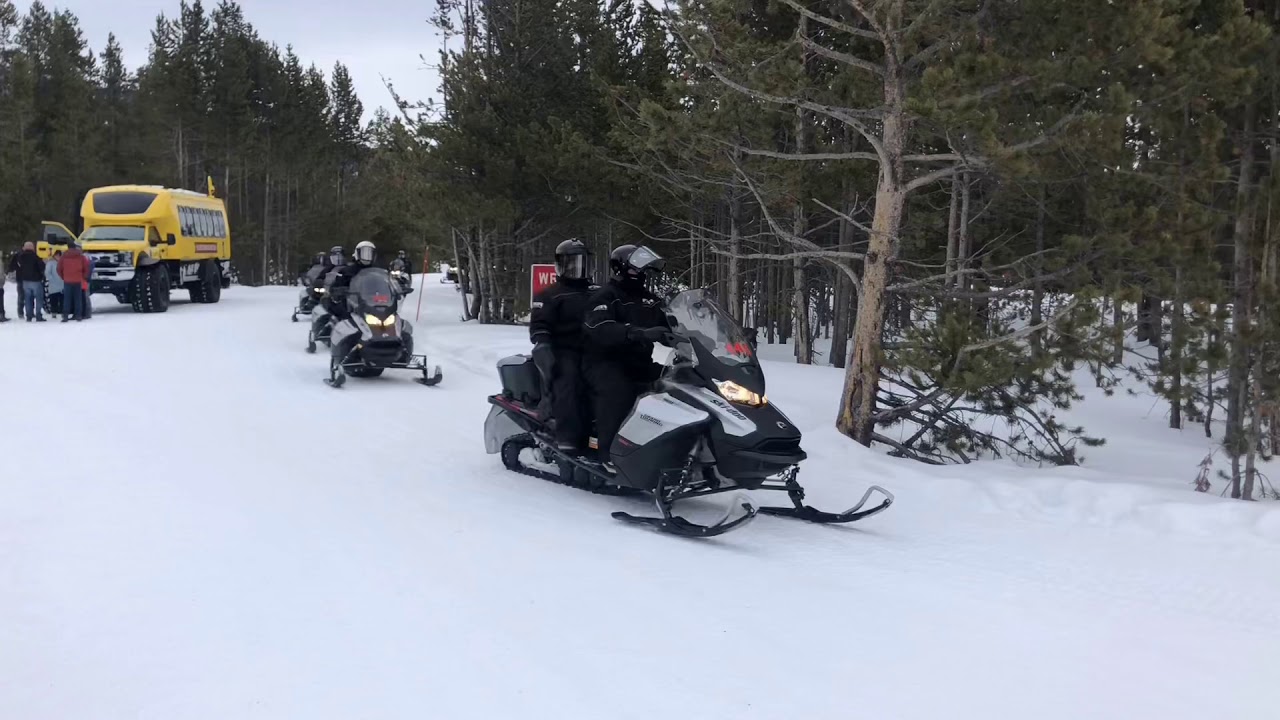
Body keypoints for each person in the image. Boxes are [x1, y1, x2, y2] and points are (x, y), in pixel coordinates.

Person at [582, 245, 674, 464]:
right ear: (620, 269)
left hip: (640, 362)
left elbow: (673, 323)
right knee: (618, 390)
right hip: (605, 362)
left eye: (644, 271)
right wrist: (636, 333)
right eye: (636, 270)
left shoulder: (651, 300)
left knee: (679, 382)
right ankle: (606, 454)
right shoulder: (604, 296)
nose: (641, 275)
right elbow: (600, 327)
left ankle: (669, 447)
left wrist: (708, 337)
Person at [529, 239, 597, 453]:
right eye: (573, 264)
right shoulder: (550, 295)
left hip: (596, 349)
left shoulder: (598, 292)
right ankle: (568, 436)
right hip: (564, 349)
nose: (578, 269)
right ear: (561, 265)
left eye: (583, 263)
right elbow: (539, 325)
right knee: (569, 378)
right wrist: (542, 342)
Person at [57, 242, 91, 322]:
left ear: (67, 247)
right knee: (78, 298)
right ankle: (78, 315)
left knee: (67, 299)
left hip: (67, 280)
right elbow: (86, 266)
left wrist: (63, 277)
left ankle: (65, 316)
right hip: (78, 280)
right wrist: (84, 276)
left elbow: (59, 268)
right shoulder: (80, 256)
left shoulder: (63, 256)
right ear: (75, 247)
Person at [14, 241, 46, 322]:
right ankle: (38, 315)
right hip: (36, 280)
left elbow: (16, 267)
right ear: (32, 248)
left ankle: (29, 315)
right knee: (38, 298)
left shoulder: (20, 257)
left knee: (27, 299)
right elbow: (42, 267)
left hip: (25, 281)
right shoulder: (35, 257)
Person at [45, 250, 65, 316]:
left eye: (59, 255)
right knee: (53, 299)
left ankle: (62, 312)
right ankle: (54, 312)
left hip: (62, 284)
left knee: (62, 299)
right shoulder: (50, 263)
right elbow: (47, 272)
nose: (58, 257)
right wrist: (51, 279)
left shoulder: (63, 262)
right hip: (53, 284)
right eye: (57, 255)